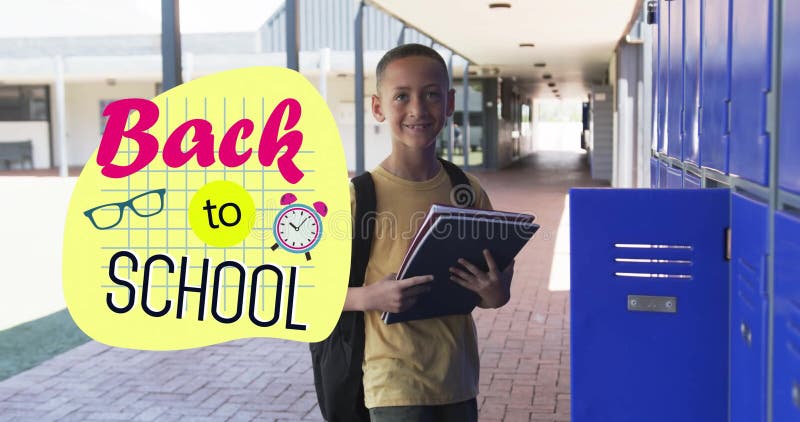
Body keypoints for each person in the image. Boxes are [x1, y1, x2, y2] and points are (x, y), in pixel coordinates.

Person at [340, 43, 515, 422]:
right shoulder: (358, 198)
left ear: (450, 103)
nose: (418, 109)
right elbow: (307, 293)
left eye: (432, 94)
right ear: (378, 107)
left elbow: (494, 290)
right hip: (393, 384)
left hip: (458, 381)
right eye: (401, 96)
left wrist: (494, 293)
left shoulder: (466, 190)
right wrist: (371, 296)